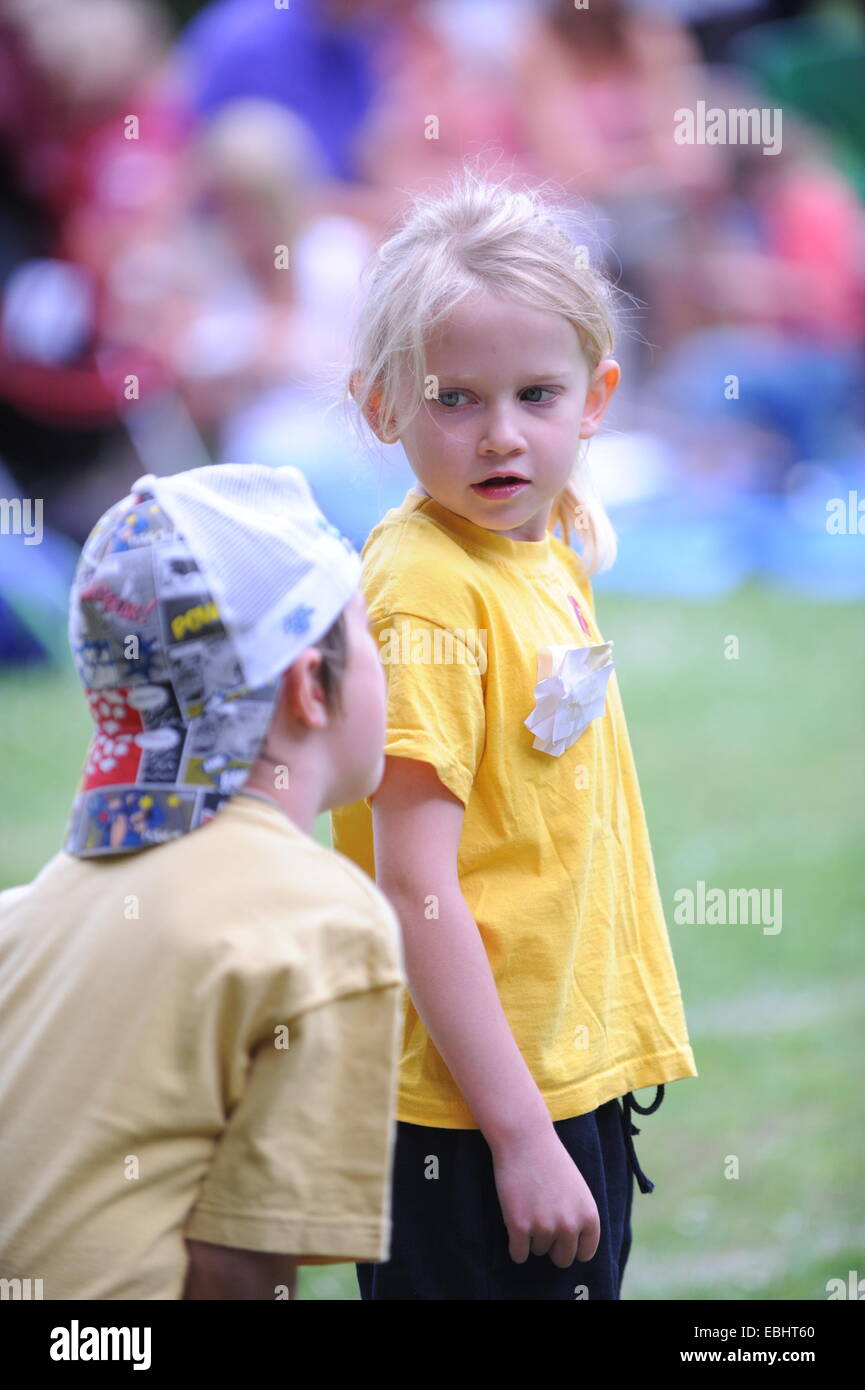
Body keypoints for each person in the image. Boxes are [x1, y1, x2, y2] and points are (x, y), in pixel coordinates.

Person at [330, 168, 699, 1300]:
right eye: (455, 400)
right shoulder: (427, 590)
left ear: (597, 396)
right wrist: (520, 1135)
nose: (500, 436)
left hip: (555, 1079)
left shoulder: (535, 544)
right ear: (381, 403)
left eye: (536, 396)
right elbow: (413, 886)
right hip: (469, 1120)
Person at [0, 463, 406, 1299]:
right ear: (307, 685)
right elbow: (240, 1269)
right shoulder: (317, 922)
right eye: (367, 631)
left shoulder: (23, 918)